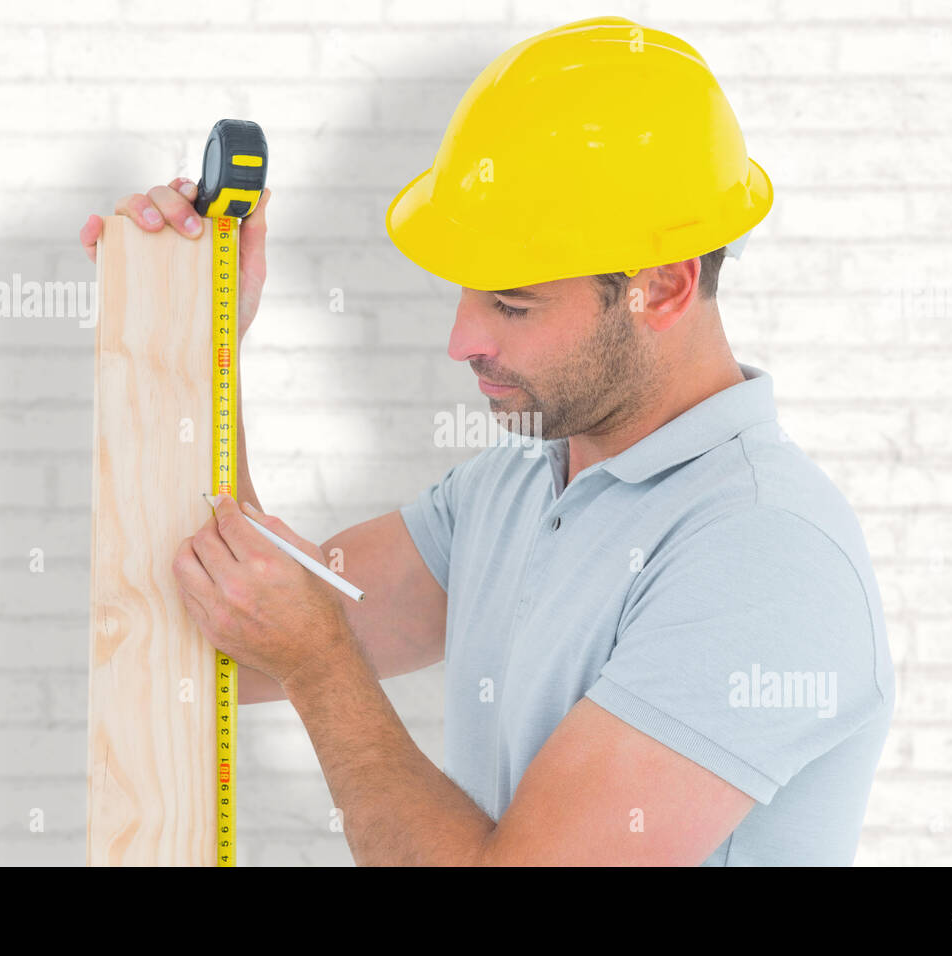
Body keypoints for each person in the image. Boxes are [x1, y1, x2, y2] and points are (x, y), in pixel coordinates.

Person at [79, 16, 894, 866]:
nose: (461, 339)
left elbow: (308, 650)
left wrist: (322, 663)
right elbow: (239, 637)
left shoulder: (762, 554)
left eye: (512, 303)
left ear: (662, 286)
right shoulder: (511, 492)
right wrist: (204, 330)